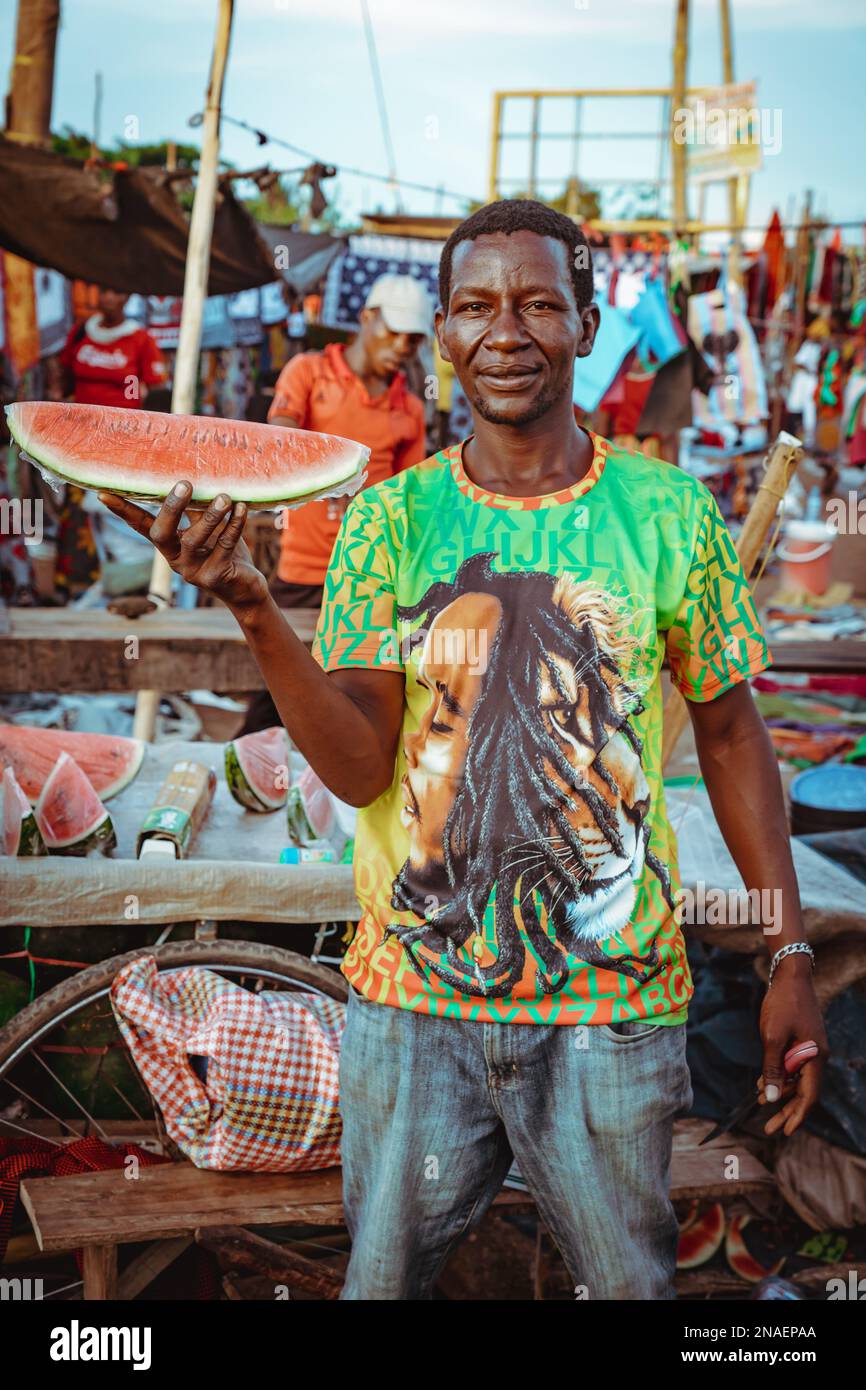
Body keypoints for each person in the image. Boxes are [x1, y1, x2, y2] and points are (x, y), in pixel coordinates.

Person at [101, 199, 828, 1301]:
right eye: (478, 305)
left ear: (586, 325)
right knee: (380, 1285)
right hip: (410, 1006)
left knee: (631, 1289)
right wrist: (254, 606)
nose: (507, 330)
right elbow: (356, 769)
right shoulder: (385, 523)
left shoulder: (670, 514)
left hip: (610, 1016)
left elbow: (730, 735)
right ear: (441, 331)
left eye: (540, 302)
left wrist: (786, 954)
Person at [237, 272, 429, 735]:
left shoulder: (411, 408)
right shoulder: (308, 371)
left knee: (362, 696)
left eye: (414, 337)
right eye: (394, 329)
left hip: (374, 575)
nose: (402, 344)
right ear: (366, 318)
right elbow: (280, 436)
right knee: (276, 694)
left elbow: (409, 497)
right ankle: (244, 769)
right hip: (303, 573)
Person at [55, 288, 166, 597]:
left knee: (108, 506)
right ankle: (74, 582)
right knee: (78, 512)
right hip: (75, 439)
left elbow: (157, 389)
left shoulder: (140, 340)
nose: (107, 299)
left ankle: (115, 580)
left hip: (120, 444)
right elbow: (64, 373)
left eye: (115, 293)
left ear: (128, 299)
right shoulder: (80, 332)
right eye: (103, 292)